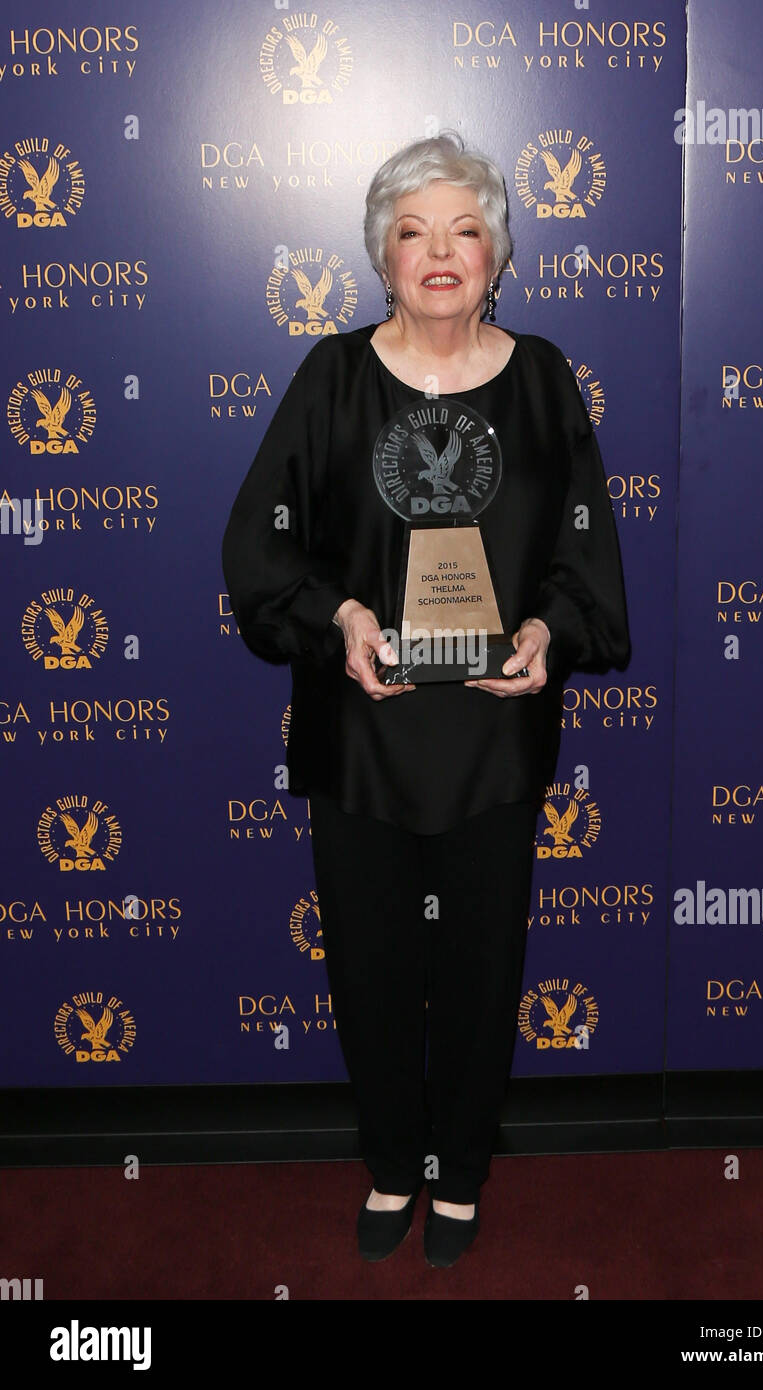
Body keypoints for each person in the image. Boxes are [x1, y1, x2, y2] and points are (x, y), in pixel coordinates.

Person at [222, 130, 630, 1268]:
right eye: (413, 231)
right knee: (368, 970)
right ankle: (393, 1160)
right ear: (382, 255)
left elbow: (580, 548)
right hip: (362, 730)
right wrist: (341, 619)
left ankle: (459, 1169)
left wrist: (548, 629)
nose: (440, 253)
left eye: (464, 230)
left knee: (482, 968)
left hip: (494, 734)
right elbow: (263, 549)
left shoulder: (543, 376)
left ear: (497, 255)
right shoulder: (330, 376)